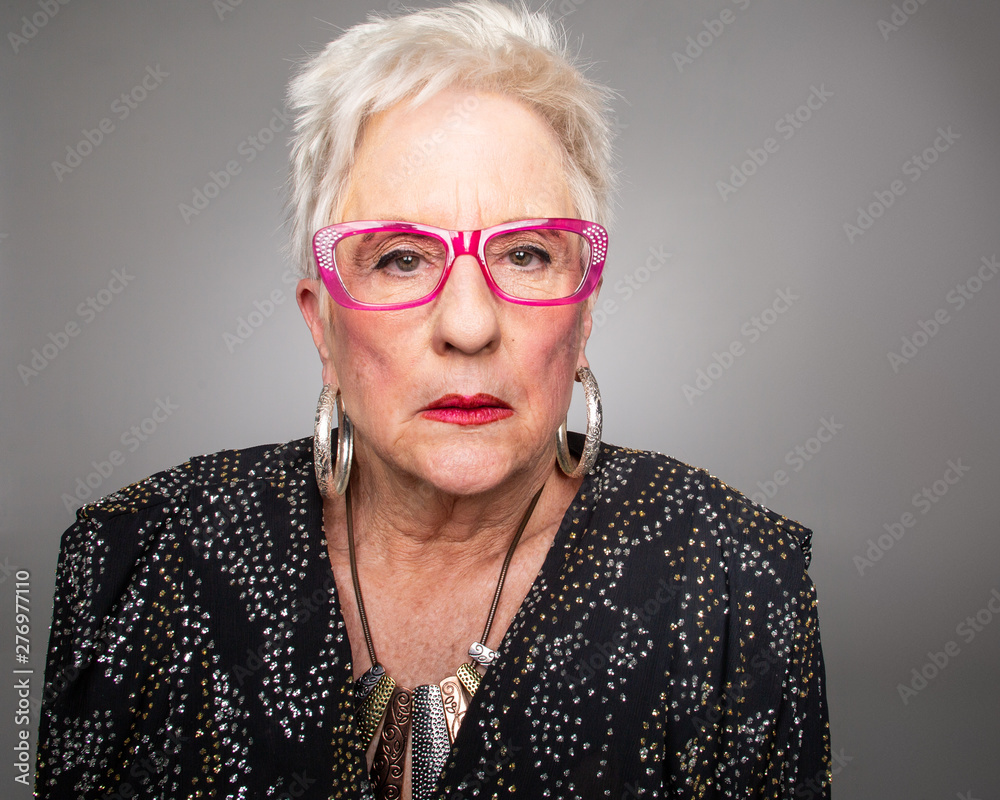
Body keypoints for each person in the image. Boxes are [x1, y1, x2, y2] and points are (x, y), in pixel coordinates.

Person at [35, 2, 831, 798]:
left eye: (526, 254)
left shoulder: (735, 587)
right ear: (321, 323)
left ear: (584, 311)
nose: (469, 325)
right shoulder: (139, 569)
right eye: (401, 259)